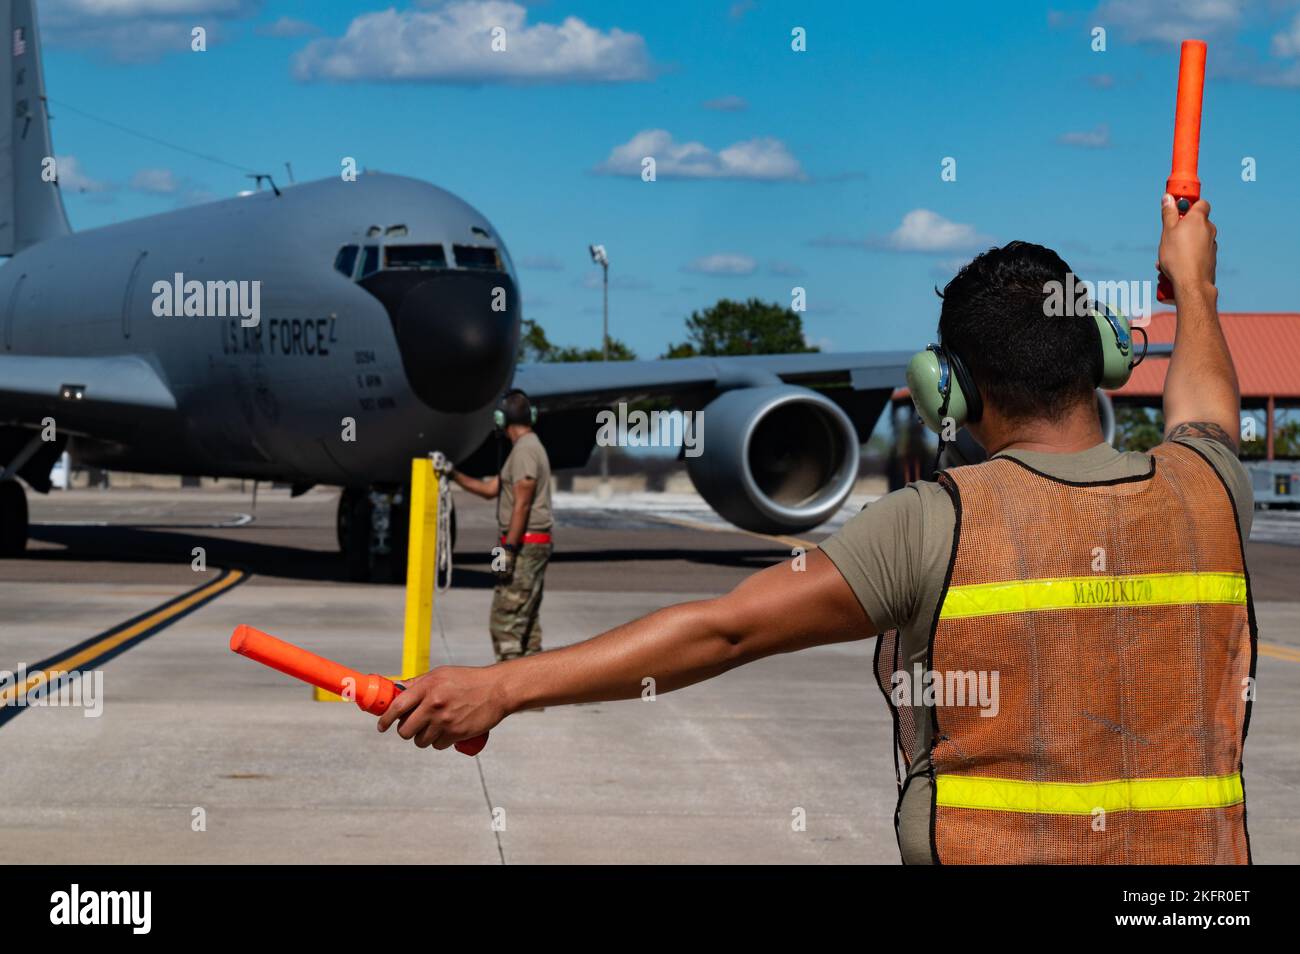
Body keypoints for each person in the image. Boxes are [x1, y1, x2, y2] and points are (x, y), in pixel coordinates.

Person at [382, 195, 1253, 864]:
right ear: (1103, 354)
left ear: (946, 387)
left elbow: (722, 631)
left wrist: (504, 687)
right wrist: (1198, 289)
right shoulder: (1207, 490)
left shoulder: (935, 524)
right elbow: (1206, 399)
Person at [446, 389, 553, 663]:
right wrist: (453, 474)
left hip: (523, 543)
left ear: (500, 420)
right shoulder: (523, 449)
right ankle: (533, 690)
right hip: (524, 541)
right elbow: (491, 489)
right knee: (526, 618)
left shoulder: (526, 451)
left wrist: (508, 548)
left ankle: (510, 687)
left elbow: (522, 503)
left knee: (504, 620)